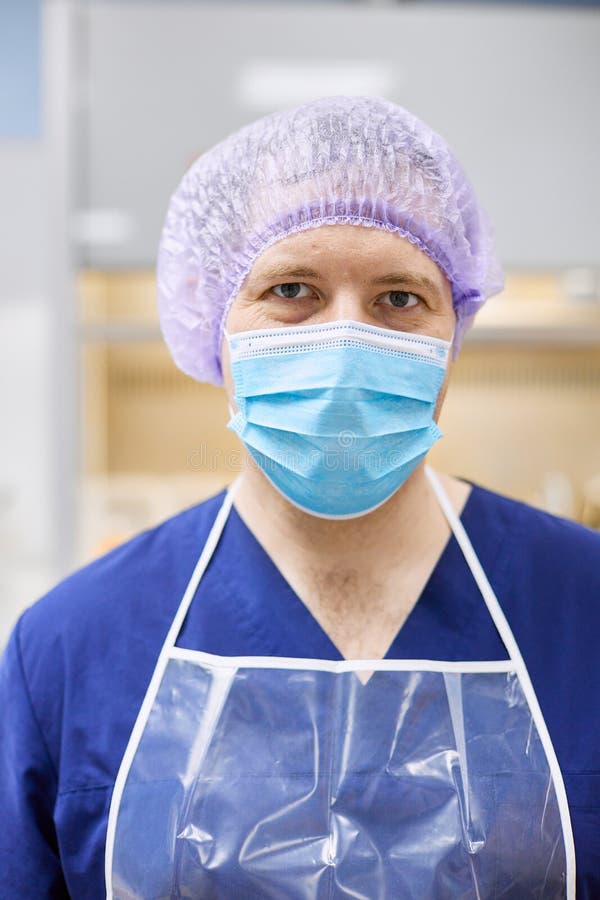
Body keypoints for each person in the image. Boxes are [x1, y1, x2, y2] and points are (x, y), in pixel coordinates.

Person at [1, 96, 599, 899]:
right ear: (216, 320)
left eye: (399, 298)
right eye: (290, 289)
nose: (344, 337)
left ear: (453, 332)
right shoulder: (74, 647)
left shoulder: (584, 603)